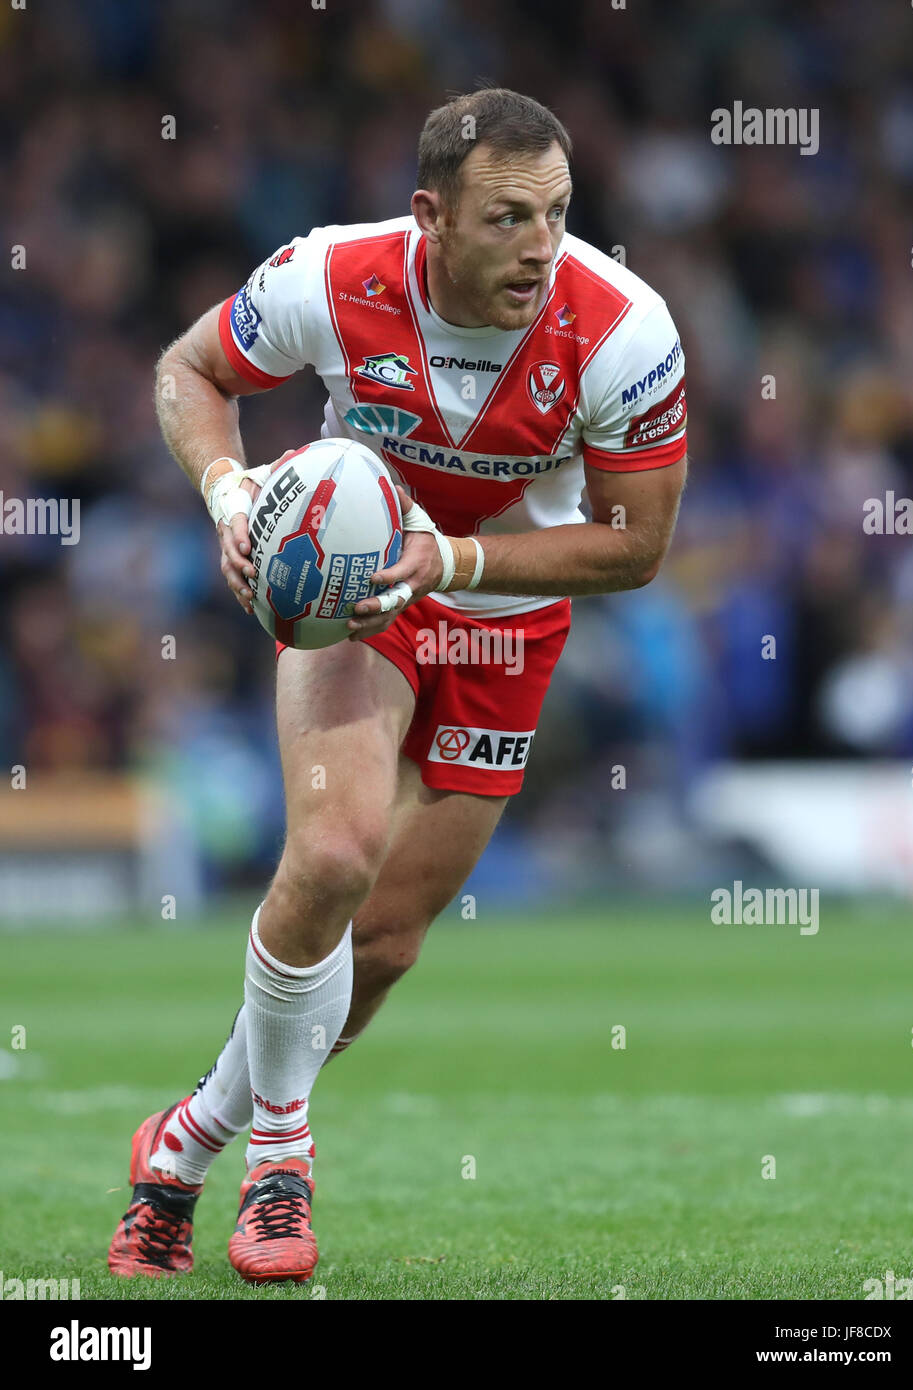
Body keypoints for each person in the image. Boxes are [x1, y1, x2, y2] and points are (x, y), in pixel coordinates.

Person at [107, 87, 688, 1285]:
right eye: (506, 218)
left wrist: (459, 559)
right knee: (330, 857)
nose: (540, 246)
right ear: (430, 214)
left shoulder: (623, 330)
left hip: (504, 621)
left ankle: (187, 1139)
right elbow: (188, 369)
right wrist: (229, 496)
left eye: (558, 214)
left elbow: (634, 545)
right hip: (351, 594)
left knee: (379, 943)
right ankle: (279, 1163)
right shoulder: (331, 277)